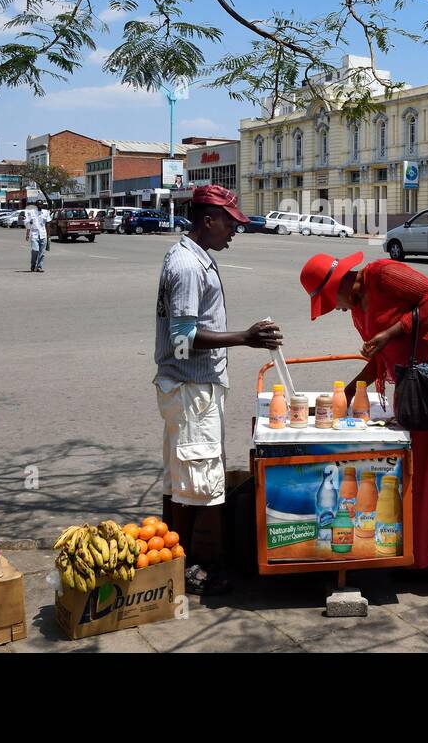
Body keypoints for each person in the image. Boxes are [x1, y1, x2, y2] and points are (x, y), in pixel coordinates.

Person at [299, 252, 428, 614]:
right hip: (415, 383)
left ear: (338, 285)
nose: (332, 309)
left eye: (327, 301)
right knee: (422, 469)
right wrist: (348, 394)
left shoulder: (383, 274)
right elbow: (381, 357)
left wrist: (391, 331)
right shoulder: (357, 309)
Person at [155, 184, 282, 595]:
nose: (234, 231)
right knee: (196, 482)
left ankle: (178, 559)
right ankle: (188, 567)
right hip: (191, 387)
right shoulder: (188, 266)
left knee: (184, 479)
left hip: (192, 386)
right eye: (230, 223)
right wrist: (245, 337)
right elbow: (182, 337)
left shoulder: (194, 257)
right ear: (208, 220)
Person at [25, 203, 49, 272]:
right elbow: (28, 224)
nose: (39, 205)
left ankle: (39, 267)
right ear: (36, 205)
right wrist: (27, 234)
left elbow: (48, 224)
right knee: (35, 250)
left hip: (43, 234)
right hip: (34, 234)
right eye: (38, 204)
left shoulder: (46, 212)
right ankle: (33, 265)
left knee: (42, 252)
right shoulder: (31, 213)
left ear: (42, 205)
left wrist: (49, 235)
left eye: (41, 204)